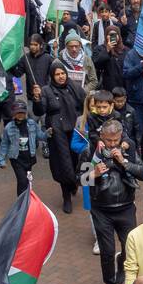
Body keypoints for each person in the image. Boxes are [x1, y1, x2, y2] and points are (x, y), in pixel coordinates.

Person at [84, 118, 143, 284]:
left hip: (126, 207)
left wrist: (124, 162)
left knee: (130, 250)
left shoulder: (127, 149)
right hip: (101, 209)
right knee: (107, 251)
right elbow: (80, 179)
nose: (113, 144)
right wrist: (93, 174)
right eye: (109, 140)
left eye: (116, 140)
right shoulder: (90, 151)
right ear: (102, 136)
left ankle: (123, 266)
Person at [38, 62, 85, 212]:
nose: (61, 77)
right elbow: (39, 111)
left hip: (76, 131)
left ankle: (76, 184)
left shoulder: (75, 87)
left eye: (63, 73)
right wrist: (38, 99)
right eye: (57, 74)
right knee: (63, 164)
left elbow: (86, 104)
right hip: (58, 134)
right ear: (52, 76)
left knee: (78, 161)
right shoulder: (46, 91)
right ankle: (66, 196)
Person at [0, 97, 43, 196]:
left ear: (26, 112)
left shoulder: (32, 124)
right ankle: (21, 203)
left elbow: (40, 136)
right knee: (22, 180)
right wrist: (1, 159)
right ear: (13, 113)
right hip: (16, 159)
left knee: (27, 181)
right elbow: (4, 144)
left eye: (22, 112)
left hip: (29, 158)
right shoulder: (9, 127)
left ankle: (26, 201)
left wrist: (48, 134)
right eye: (18, 112)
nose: (20, 115)